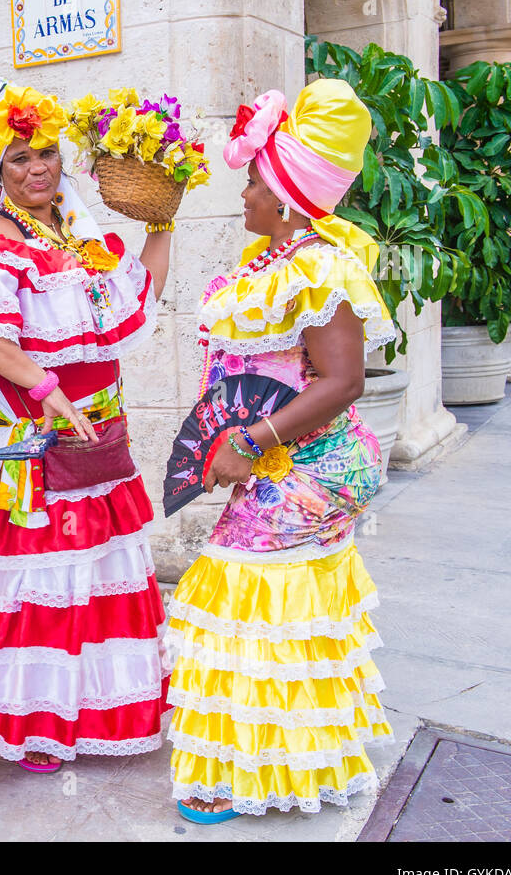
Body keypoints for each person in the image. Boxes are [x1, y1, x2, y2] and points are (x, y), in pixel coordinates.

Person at [166, 79, 398, 823]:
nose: (243, 190)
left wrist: (251, 441)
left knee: (236, 583)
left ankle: (250, 770)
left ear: (287, 196)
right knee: (284, 594)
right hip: (279, 459)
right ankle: (296, 753)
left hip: (320, 463)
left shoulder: (320, 267)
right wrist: (225, 444)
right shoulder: (264, 265)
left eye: (255, 179)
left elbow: (343, 381)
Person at [0, 77, 174, 771]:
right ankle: (35, 724)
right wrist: (44, 387)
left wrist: (163, 222)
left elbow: (142, 294)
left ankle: (98, 709)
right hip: (35, 436)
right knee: (42, 574)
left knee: (98, 570)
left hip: (97, 434)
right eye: (19, 158)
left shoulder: (80, 236)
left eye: (45, 154)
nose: (37, 168)